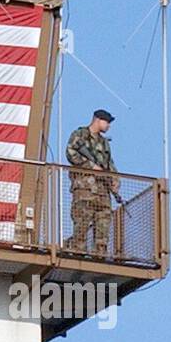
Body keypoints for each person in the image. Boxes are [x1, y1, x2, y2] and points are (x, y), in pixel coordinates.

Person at [65, 108, 120, 257]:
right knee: (82, 222)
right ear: (97, 119)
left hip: (102, 192)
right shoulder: (80, 135)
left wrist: (114, 181)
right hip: (85, 190)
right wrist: (91, 166)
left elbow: (110, 164)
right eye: (106, 122)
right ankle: (78, 252)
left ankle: (100, 254)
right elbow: (71, 152)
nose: (108, 126)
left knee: (103, 223)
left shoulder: (104, 143)